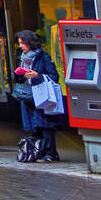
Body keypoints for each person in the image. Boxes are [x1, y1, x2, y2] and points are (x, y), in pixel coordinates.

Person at [14, 29, 65, 162]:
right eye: (19, 43)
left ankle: (51, 153)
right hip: (29, 96)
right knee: (34, 126)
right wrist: (20, 74)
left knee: (45, 125)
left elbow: (54, 76)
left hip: (42, 96)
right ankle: (39, 151)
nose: (20, 46)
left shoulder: (43, 57)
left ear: (30, 43)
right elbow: (18, 79)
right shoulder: (22, 58)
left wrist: (38, 75)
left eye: (22, 43)